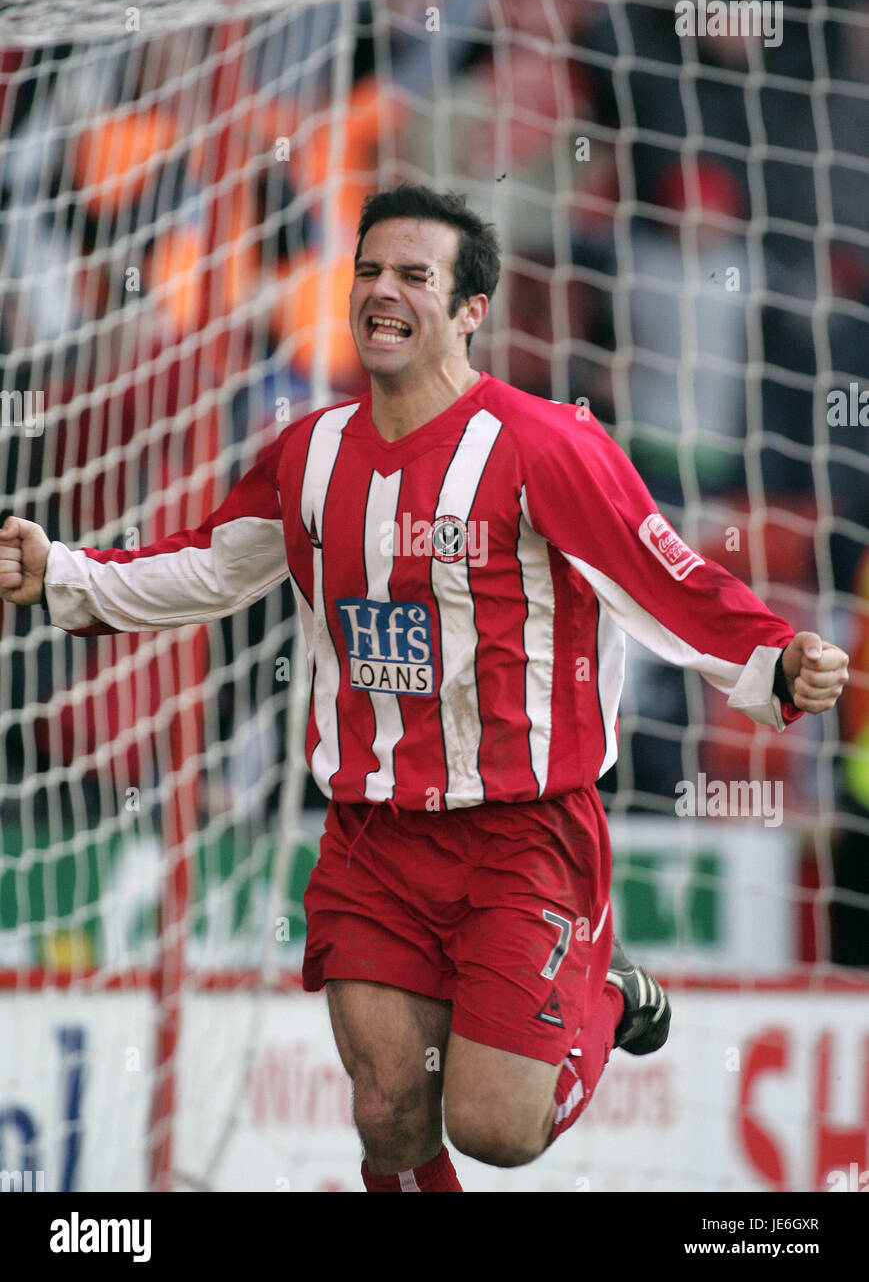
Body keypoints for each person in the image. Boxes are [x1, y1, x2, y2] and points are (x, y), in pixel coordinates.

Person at [0, 184, 849, 1193]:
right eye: (366, 271)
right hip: (372, 833)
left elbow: (659, 579)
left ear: (468, 311)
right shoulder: (309, 452)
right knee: (386, 1110)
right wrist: (62, 572)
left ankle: (606, 999)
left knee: (493, 1127)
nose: (381, 292)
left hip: (523, 833)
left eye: (412, 274)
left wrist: (772, 663)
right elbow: (208, 565)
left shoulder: (546, 446)